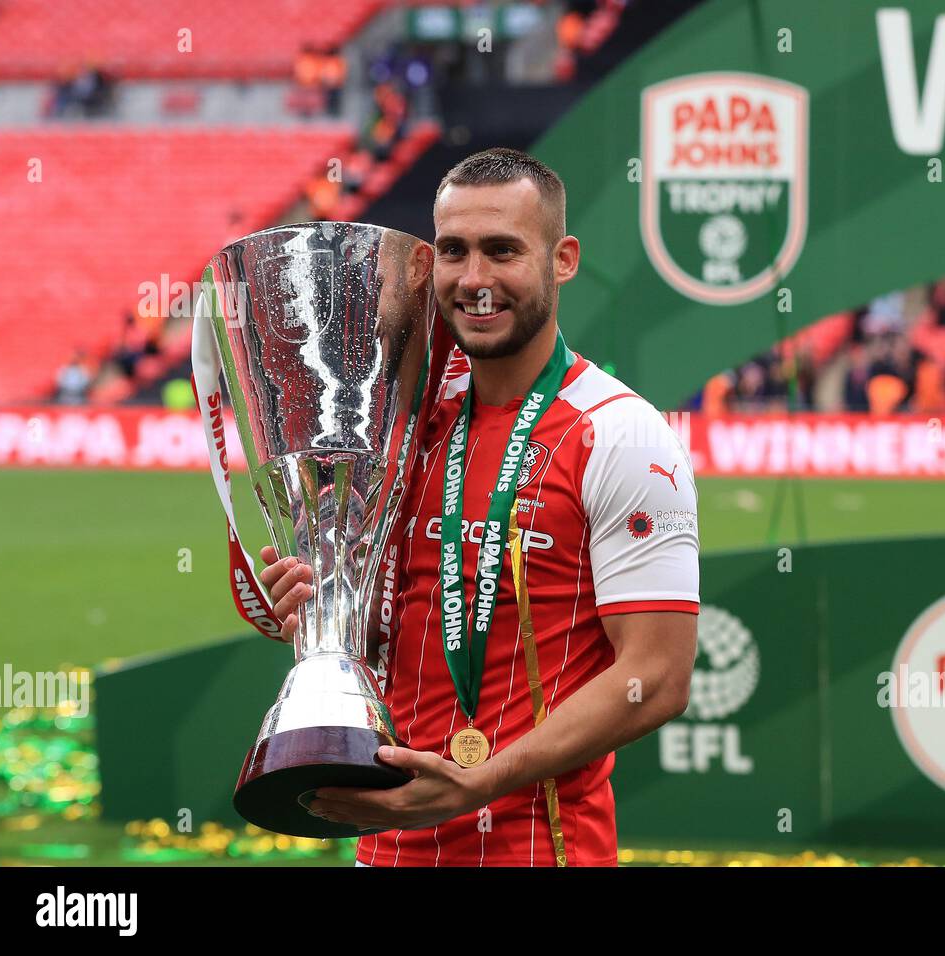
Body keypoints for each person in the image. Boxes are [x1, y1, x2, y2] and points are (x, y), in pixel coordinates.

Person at [256, 148, 699, 866]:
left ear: (563, 259)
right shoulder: (400, 430)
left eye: (502, 252)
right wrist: (322, 618)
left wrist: (476, 784)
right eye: (455, 252)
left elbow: (658, 679)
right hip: (388, 849)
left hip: (542, 851)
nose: (475, 280)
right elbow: (395, 630)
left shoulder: (617, 433)